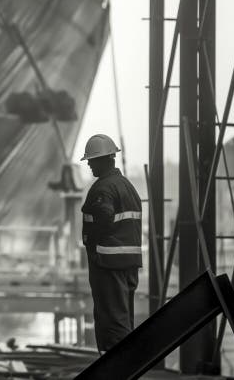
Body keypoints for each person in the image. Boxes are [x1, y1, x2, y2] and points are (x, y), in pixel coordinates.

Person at [80, 134, 142, 353]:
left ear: (106, 160)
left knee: (111, 320)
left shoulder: (103, 189)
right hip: (128, 263)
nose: (88, 163)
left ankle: (117, 368)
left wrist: (94, 248)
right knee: (123, 317)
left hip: (108, 263)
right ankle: (125, 364)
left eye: (92, 159)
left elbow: (104, 217)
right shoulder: (127, 186)